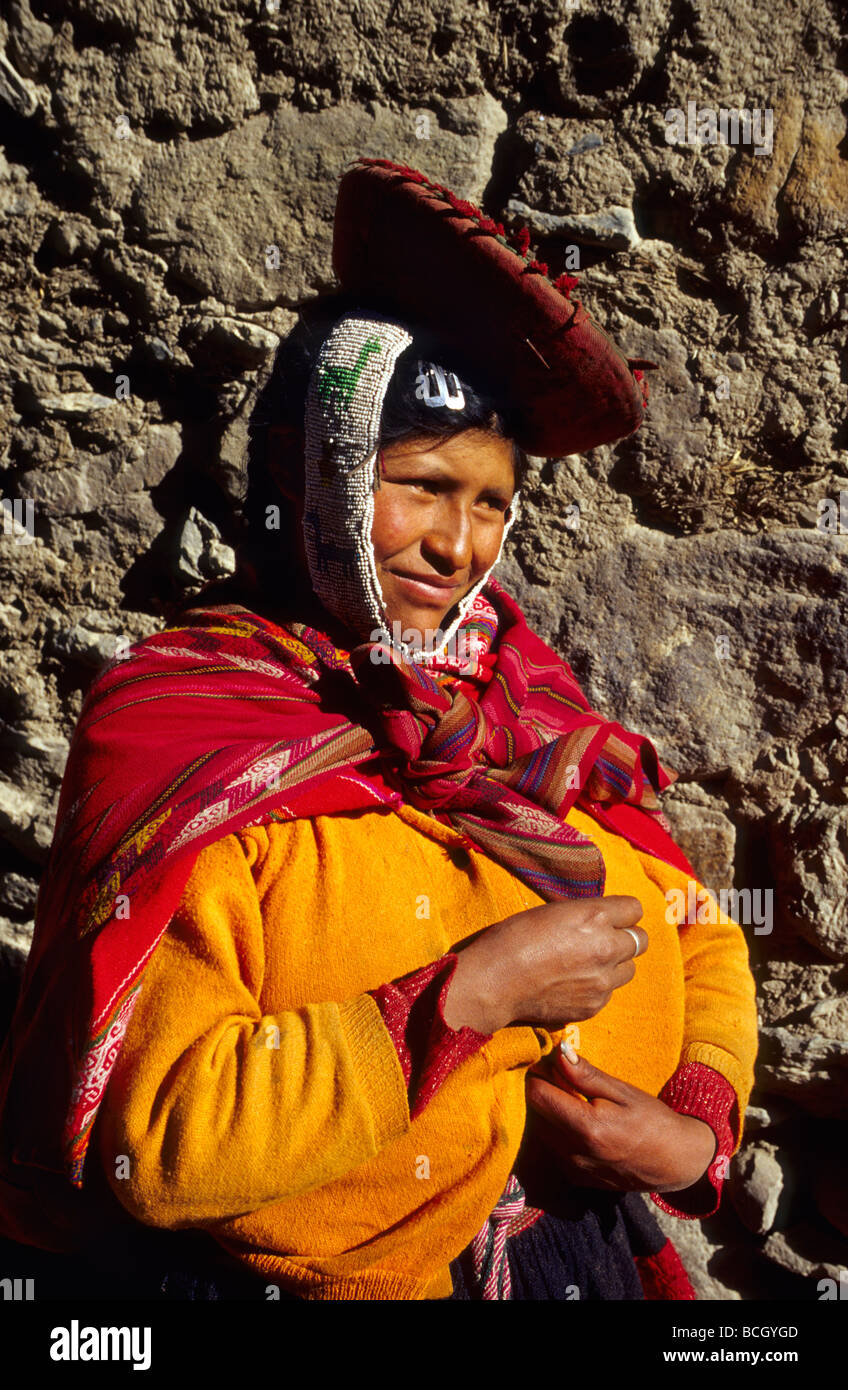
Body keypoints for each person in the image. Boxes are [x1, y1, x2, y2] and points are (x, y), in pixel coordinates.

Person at [0, 158, 758, 1301]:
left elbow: (699, 931)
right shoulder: (194, 728)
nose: (458, 546)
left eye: (490, 500)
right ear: (317, 479)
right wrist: (466, 1001)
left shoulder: (529, 707)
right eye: (419, 484)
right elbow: (156, 1143)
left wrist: (691, 1132)